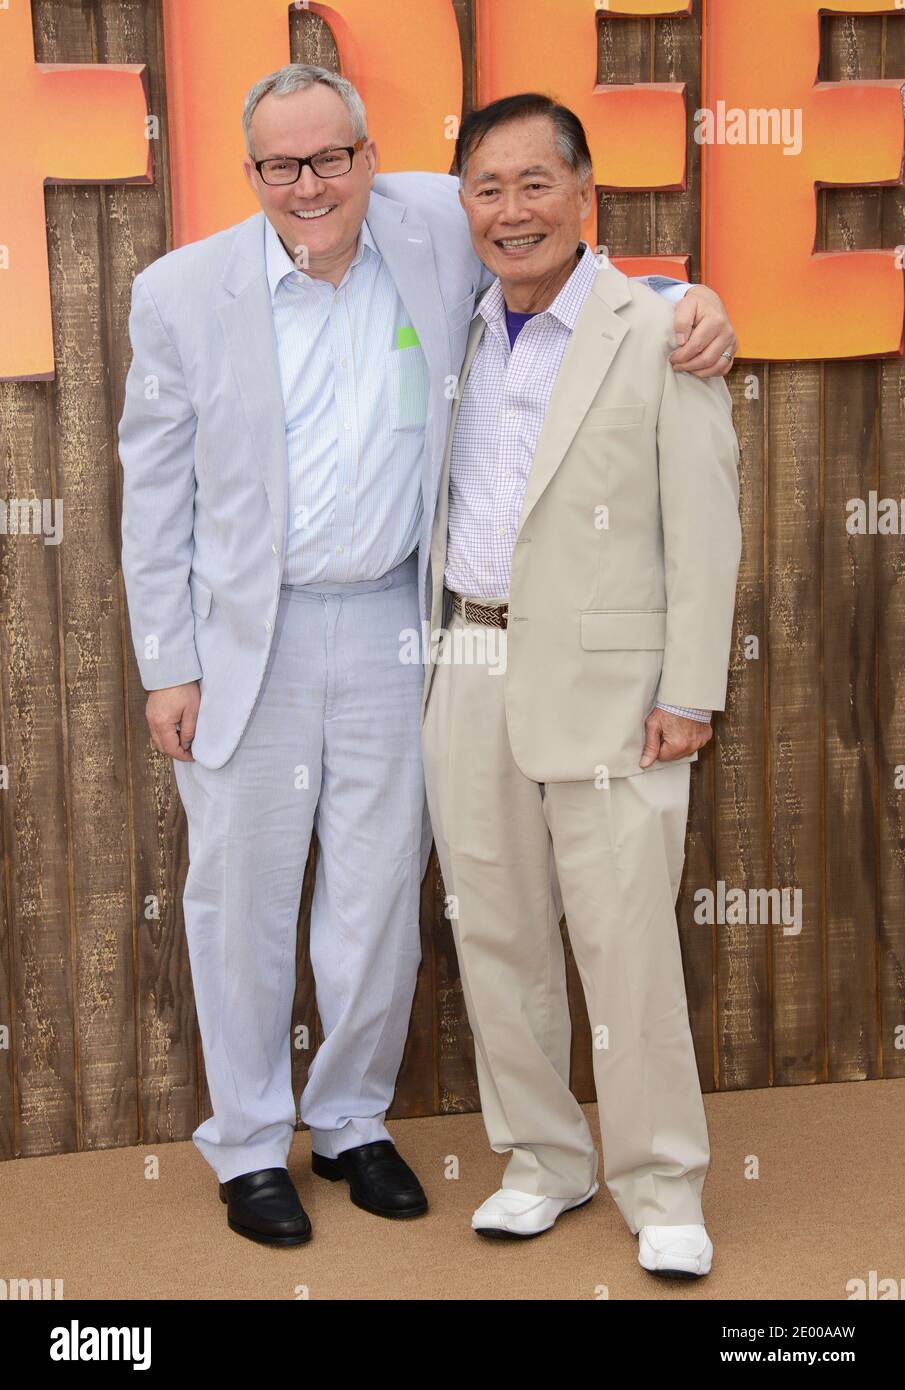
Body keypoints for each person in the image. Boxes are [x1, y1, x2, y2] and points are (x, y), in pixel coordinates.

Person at [118, 63, 738, 1249]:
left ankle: (350, 1118)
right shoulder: (179, 293)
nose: (312, 185)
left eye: (333, 157)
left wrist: (693, 295)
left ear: (371, 155)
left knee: (377, 894)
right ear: (247, 171)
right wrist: (168, 662)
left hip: (409, 628)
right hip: (253, 637)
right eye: (281, 165)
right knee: (239, 897)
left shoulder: (428, 229)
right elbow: (151, 495)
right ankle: (249, 1144)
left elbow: (585, 280)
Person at [421, 93, 742, 1278]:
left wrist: (691, 693)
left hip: (616, 688)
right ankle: (540, 1160)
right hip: (469, 658)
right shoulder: (450, 324)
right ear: (462, 205)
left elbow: (705, 529)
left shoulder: (658, 326)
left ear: (583, 189)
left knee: (625, 946)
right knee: (494, 934)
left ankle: (662, 1182)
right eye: (486, 189)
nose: (511, 211)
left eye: (533, 184)